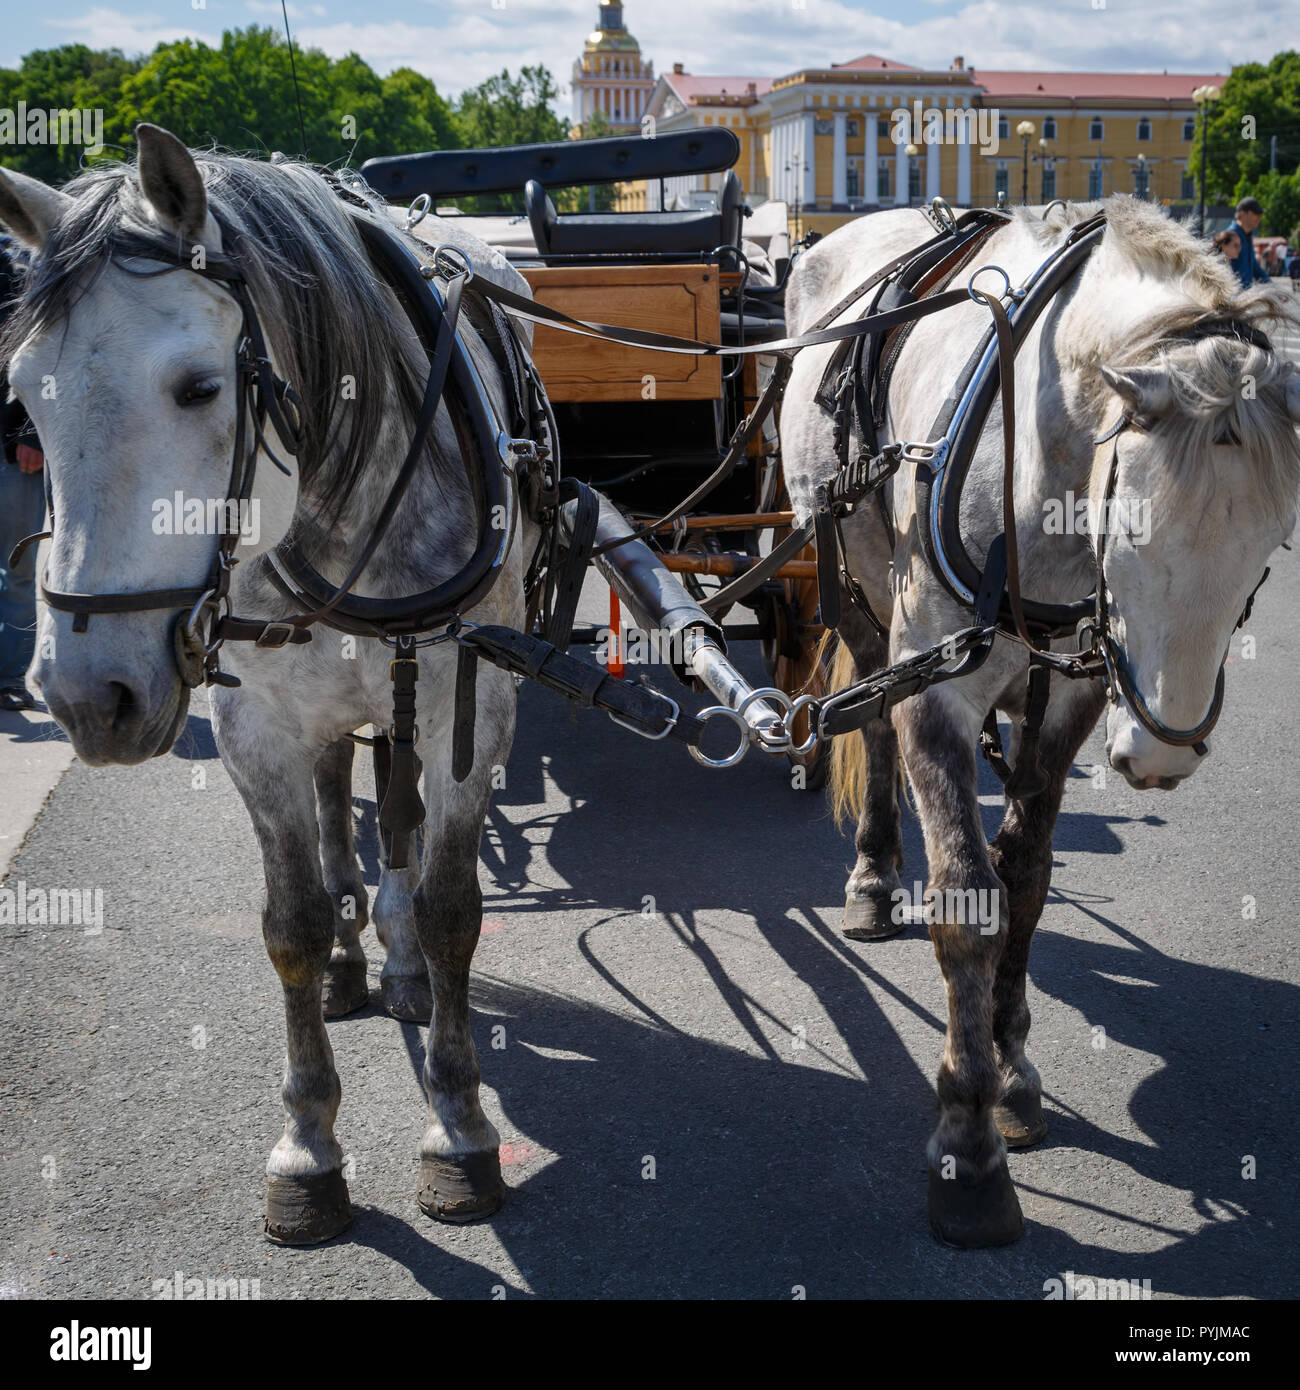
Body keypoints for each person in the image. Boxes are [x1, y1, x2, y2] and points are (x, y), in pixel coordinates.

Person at [0, 235, 46, 712]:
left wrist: (31, 433)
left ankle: (9, 678)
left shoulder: (21, 270)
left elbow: (43, 353)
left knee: (15, 571)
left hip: (13, 452)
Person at [1226, 196, 1271, 291]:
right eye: (1256, 214)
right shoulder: (1230, 236)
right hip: (1233, 299)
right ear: (1242, 213)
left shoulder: (1247, 235)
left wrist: (1275, 289)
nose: (1259, 218)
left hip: (1244, 298)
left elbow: (1255, 268)